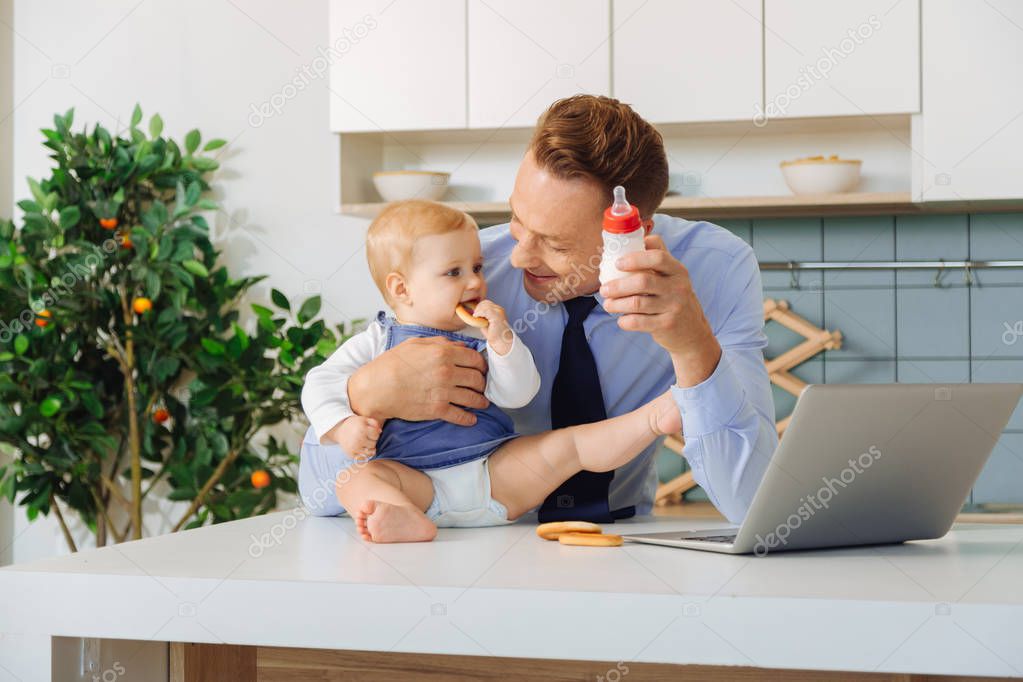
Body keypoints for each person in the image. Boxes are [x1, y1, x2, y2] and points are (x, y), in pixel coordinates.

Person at [299, 94, 777, 525]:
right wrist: (363, 393)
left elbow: (752, 504)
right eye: (516, 218)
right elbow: (320, 495)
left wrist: (693, 346)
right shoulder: (456, 273)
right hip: (464, 539)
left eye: (555, 244)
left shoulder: (714, 269)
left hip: (623, 547)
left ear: (630, 235)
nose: (521, 256)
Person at [301, 199, 680, 542]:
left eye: (477, 267)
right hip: (414, 483)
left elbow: (517, 394)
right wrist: (343, 425)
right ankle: (400, 517)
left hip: (493, 473)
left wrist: (503, 344)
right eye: (454, 272)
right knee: (355, 480)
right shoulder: (375, 341)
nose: (475, 282)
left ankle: (654, 417)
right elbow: (319, 384)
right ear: (402, 289)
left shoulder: (481, 334)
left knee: (570, 444)